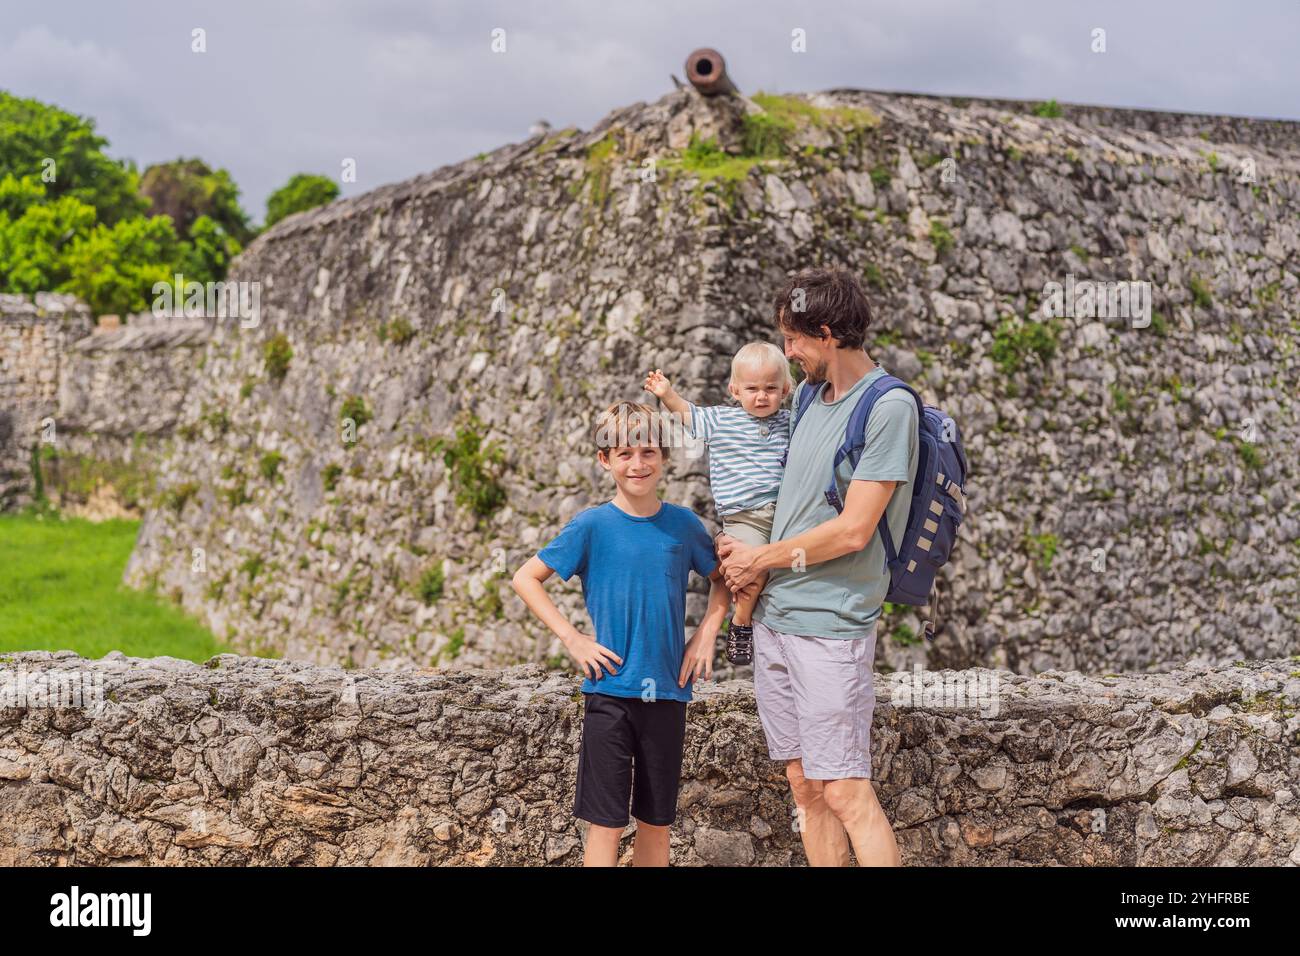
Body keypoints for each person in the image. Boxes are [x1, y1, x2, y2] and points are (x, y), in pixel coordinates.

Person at [717, 267, 918, 867]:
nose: (788, 354)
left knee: (846, 791)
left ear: (826, 333)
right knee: (805, 787)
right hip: (776, 619)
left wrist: (762, 556)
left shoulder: (888, 407)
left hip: (830, 626)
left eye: (793, 341)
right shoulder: (806, 397)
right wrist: (740, 541)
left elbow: (855, 528)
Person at [511, 400, 731, 866]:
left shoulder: (684, 525)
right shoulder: (591, 526)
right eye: (625, 453)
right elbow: (525, 579)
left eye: (649, 452)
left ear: (665, 459)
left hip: (668, 693)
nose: (638, 463)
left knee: (656, 823)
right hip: (608, 692)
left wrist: (707, 631)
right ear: (604, 460)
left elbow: (723, 581)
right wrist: (573, 639)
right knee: (606, 823)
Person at [643, 341, 792, 664]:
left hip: (785, 514)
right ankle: (740, 623)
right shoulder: (723, 421)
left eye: (771, 388)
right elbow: (689, 415)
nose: (762, 396)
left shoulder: (790, 423)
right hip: (745, 518)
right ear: (735, 390)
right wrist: (667, 394)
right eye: (752, 388)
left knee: (786, 567)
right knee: (751, 571)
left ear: (786, 389)